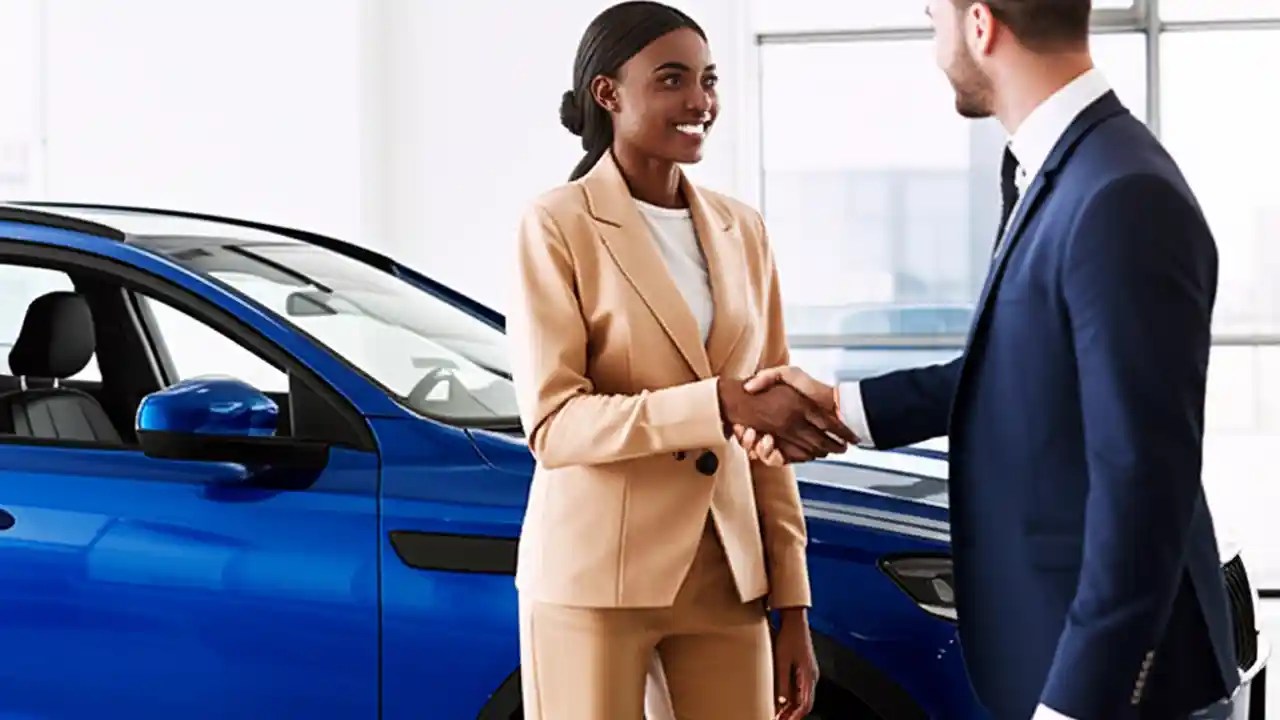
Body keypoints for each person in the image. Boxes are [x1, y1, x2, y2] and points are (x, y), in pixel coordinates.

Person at [737, 0, 1240, 718]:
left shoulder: (1122, 196)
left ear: (980, 24)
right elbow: (1019, 369)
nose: (934, 44)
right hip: (1054, 653)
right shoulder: (1066, 170)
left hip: (1112, 690)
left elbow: (1144, 495)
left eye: (933, 18)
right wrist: (839, 406)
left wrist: (1074, 705)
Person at [505, 3, 855, 718]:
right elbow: (554, 425)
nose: (700, 101)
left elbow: (770, 429)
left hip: (728, 576)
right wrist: (716, 403)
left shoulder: (742, 229)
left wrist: (793, 604)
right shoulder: (557, 223)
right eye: (672, 80)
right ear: (608, 93)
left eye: (709, 80)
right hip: (594, 577)